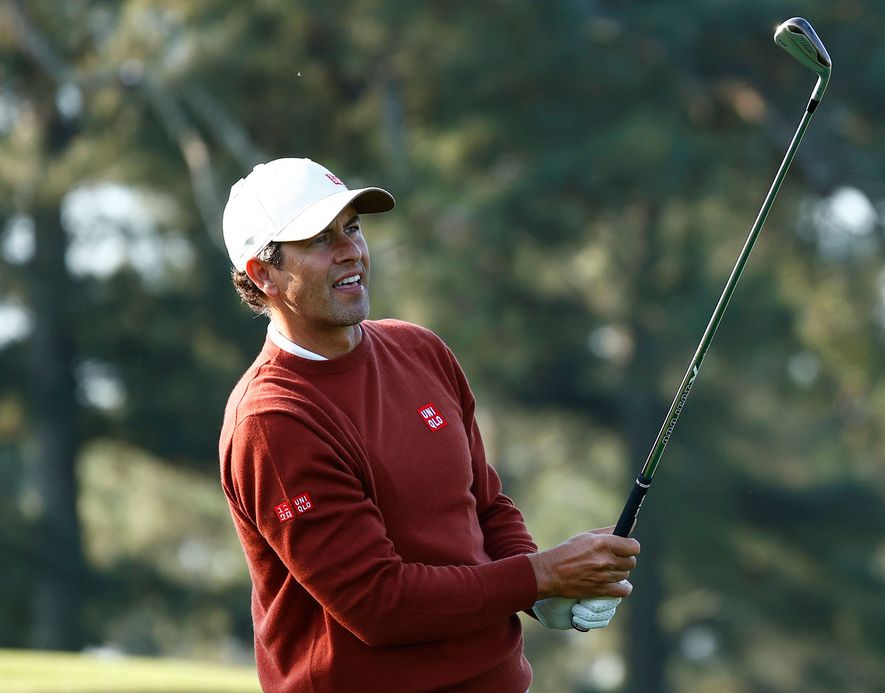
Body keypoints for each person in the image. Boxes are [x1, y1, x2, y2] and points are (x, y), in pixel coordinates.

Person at [217, 157, 639, 692]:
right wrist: (541, 575)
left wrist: (539, 592)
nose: (351, 251)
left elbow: (485, 505)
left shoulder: (419, 349)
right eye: (321, 239)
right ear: (263, 273)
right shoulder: (274, 419)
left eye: (352, 228)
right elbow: (379, 604)